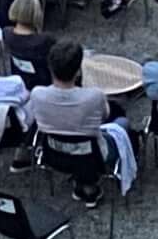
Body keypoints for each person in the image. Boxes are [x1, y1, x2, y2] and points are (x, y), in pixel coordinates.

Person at [22, 37, 137, 192]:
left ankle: (86, 185)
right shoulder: (95, 96)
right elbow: (104, 117)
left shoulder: (37, 94)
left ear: (50, 67)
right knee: (122, 122)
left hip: (54, 155)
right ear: (78, 71)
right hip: (94, 157)